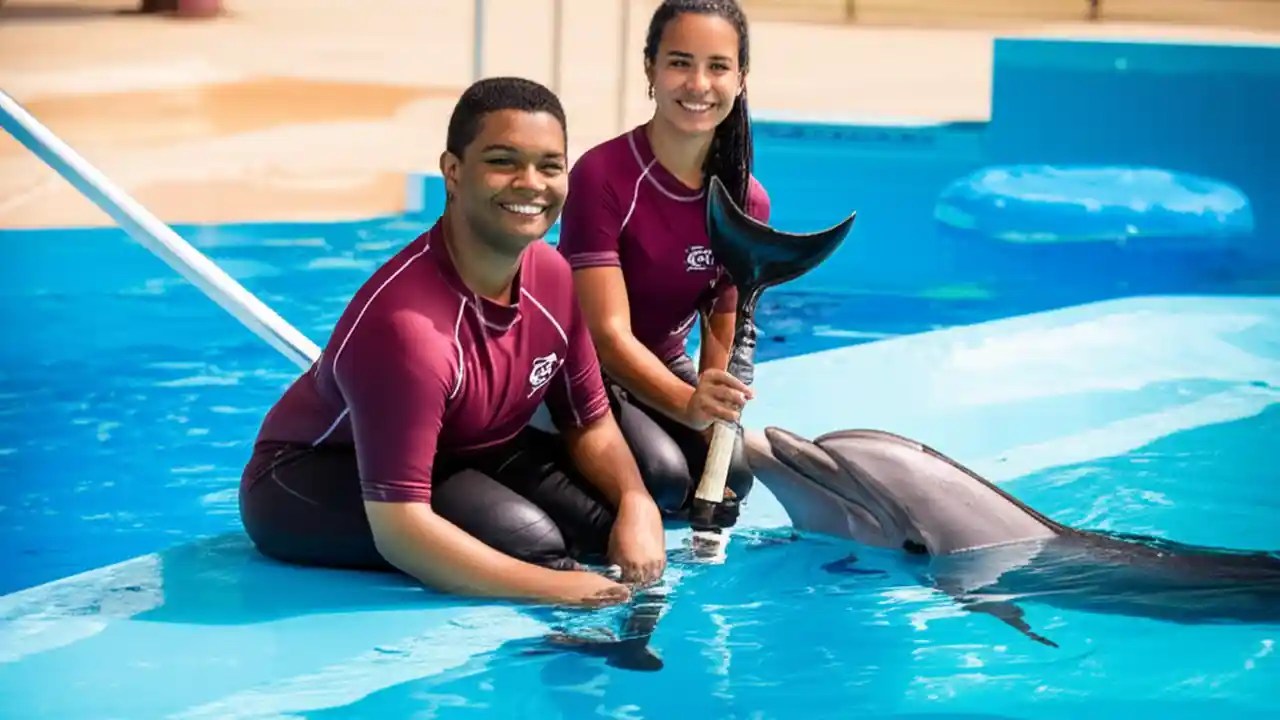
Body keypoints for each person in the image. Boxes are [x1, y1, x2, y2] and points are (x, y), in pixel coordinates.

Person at [238, 77, 666, 609]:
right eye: (503, 161)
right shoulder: (408, 327)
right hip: (315, 475)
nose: (530, 183)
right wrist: (559, 590)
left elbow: (590, 421)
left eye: (550, 165)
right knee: (533, 546)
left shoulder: (553, 278)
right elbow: (402, 531)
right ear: (454, 172)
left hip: (464, 450)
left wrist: (636, 502)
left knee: (612, 524)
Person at [555, 0, 768, 527]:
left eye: (717, 66)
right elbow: (605, 336)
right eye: (679, 62)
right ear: (649, 67)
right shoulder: (604, 175)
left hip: (660, 359)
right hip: (579, 366)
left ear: (740, 78)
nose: (698, 83)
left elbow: (723, 314)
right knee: (665, 477)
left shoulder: (747, 200)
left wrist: (712, 395)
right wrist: (686, 404)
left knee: (733, 476)